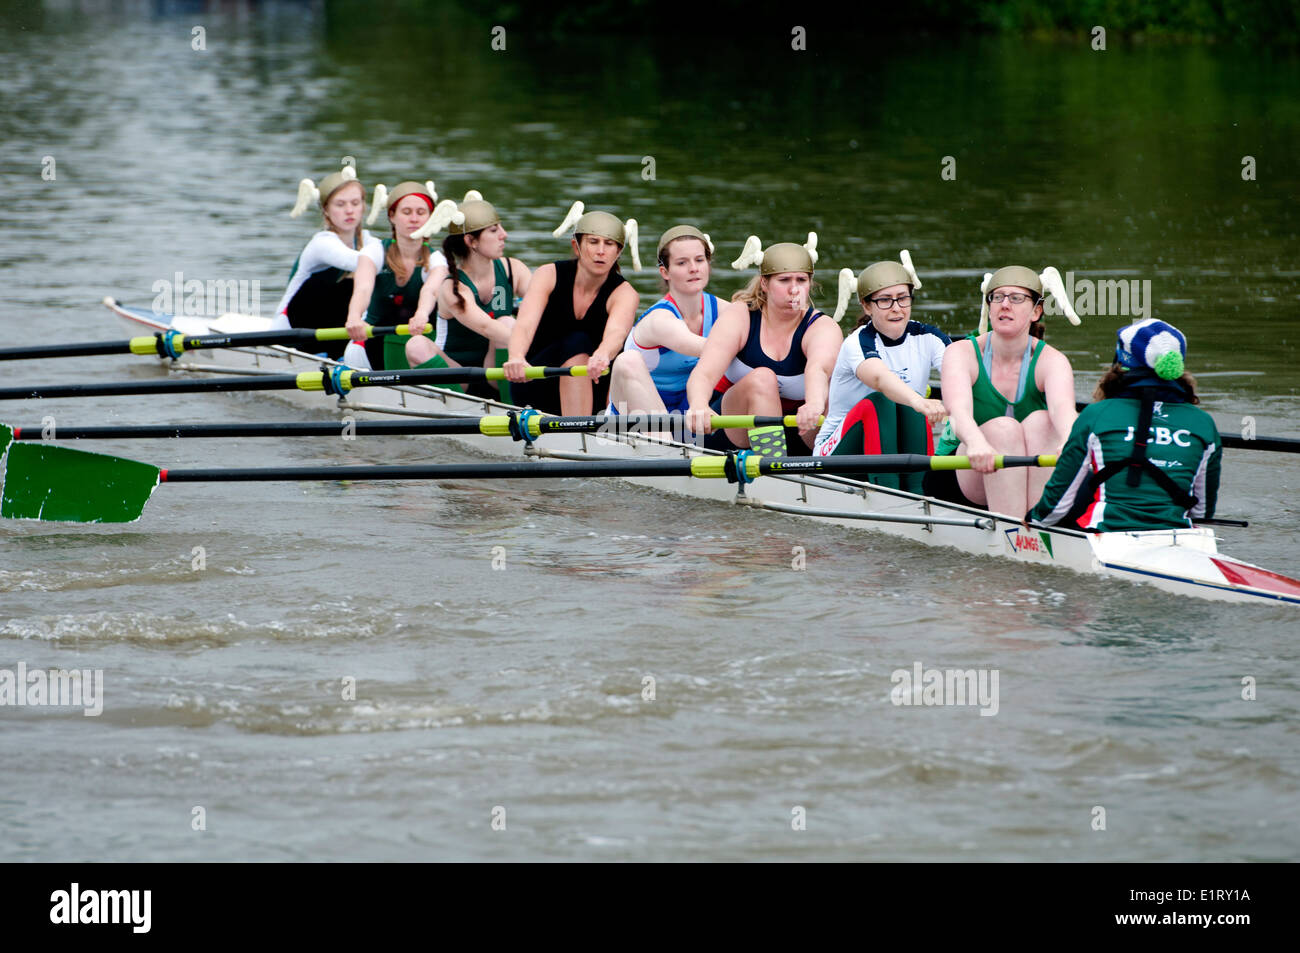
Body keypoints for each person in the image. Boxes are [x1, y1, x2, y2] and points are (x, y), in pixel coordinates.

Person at [1028, 319, 1220, 530]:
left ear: (1121, 363)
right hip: (1178, 536)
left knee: (1085, 480)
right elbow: (1202, 514)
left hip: (1106, 532)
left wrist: (1032, 522)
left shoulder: (1096, 415)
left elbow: (1056, 506)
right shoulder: (1203, 423)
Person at [927, 265, 1079, 515]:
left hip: (1023, 472)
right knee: (1003, 428)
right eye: (997, 297)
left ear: (1036, 311)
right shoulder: (961, 353)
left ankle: (1033, 525)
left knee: (1044, 422)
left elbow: (1063, 410)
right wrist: (976, 442)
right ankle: (1017, 529)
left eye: (1016, 298)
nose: (1005, 305)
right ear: (990, 308)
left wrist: (1068, 441)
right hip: (962, 471)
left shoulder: (1052, 361)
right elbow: (958, 412)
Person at [684, 237, 842, 456]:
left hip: (802, 431)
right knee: (763, 378)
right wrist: (699, 404)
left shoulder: (823, 326)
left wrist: (814, 403)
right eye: (784, 280)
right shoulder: (741, 316)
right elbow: (704, 373)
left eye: (801, 280)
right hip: (733, 430)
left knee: (837, 389)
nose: (794, 289)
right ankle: (772, 463)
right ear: (764, 284)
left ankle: (826, 463)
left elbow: (819, 369)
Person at [813, 255, 950, 491]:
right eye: (885, 300)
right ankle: (888, 491)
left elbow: (961, 372)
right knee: (883, 400)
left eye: (903, 298)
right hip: (836, 457)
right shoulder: (857, 342)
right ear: (867, 306)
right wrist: (920, 402)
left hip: (888, 446)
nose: (896, 308)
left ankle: (919, 493)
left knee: (910, 405)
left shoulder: (929, 337)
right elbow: (880, 379)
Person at [504, 205, 640, 414]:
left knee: (620, 358)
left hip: (596, 379)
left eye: (609, 244)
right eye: (593, 242)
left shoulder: (625, 293)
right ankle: (577, 429)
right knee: (577, 342)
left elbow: (616, 334)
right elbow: (524, 324)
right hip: (537, 380)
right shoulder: (548, 275)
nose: (601, 251)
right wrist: (516, 356)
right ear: (577, 247)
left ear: (618, 252)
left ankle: (598, 424)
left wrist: (602, 354)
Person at [397, 198, 530, 400]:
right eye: (494, 230)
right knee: (416, 345)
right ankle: (455, 404)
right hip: (459, 377)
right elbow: (487, 327)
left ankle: (514, 402)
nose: (504, 235)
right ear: (471, 241)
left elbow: (545, 308)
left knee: (507, 322)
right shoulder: (453, 287)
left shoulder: (514, 269)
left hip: (497, 372)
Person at [607, 225, 721, 420]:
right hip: (636, 417)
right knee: (627, 361)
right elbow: (716, 349)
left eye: (699, 260)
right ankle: (664, 440)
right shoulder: (659, 321)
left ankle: (768, 441)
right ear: (665, 272)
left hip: (690, 412)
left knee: (759, 378)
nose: (694, 268)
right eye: (682, 263)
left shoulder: (723, 310)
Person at [273, 166, 384, 361]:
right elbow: (362, 262)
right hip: (291, 331)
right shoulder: (322, 243)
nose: (349, 210)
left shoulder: (369, 241)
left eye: (355, 203)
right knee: (359, 275)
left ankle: (345, 353)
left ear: (363, 207)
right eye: (340, 204)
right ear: (325, 209)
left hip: (332, 331)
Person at [359, 180, 448, 370]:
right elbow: (363, 288)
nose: (414, 219)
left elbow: (431, 291)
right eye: (406, 212)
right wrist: (353, 317)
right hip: (370, 341)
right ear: (392, 216)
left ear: (430, 218)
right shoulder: (374, 252)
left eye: (421, 213)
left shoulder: (437, 260)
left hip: (418, 342)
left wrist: (421, 314)